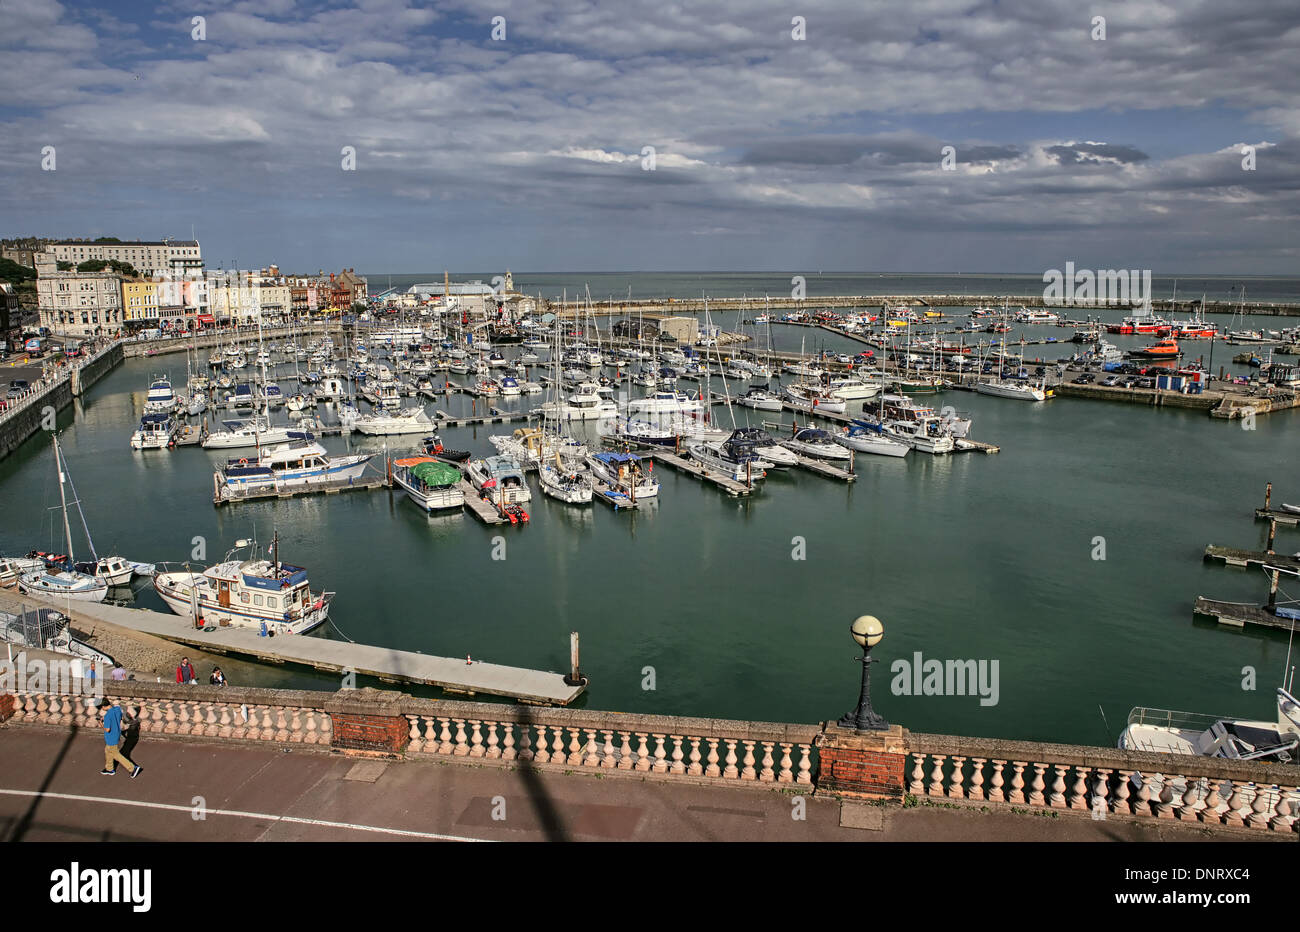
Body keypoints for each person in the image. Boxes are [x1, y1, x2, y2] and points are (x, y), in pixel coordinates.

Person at [99, 699, 142, 778]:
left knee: (116, 754)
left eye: (101, 707)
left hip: (111, 737)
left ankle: (133, 768)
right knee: (108, 751)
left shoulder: (107, 716)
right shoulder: (117, 709)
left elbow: (107, 729)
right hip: (116, 734)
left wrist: (101, 723)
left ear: (103, 706)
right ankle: (109, 768)